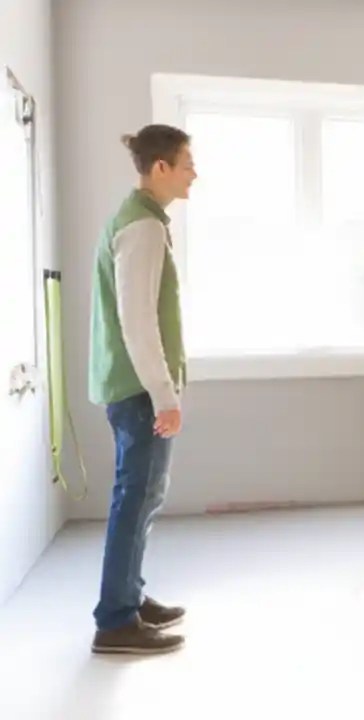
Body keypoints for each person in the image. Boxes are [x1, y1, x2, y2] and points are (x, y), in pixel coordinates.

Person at [87, 124, 196, 655]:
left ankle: (127, 598)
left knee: (140, 496)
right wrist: (165, 396)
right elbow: (137, 323)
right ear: (160, 169)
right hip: (138, 391)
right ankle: (115, 622)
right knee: (137, 498)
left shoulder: (140, 219)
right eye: (186, 163)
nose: (193, 172)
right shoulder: (143, 229)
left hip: (130, 388)